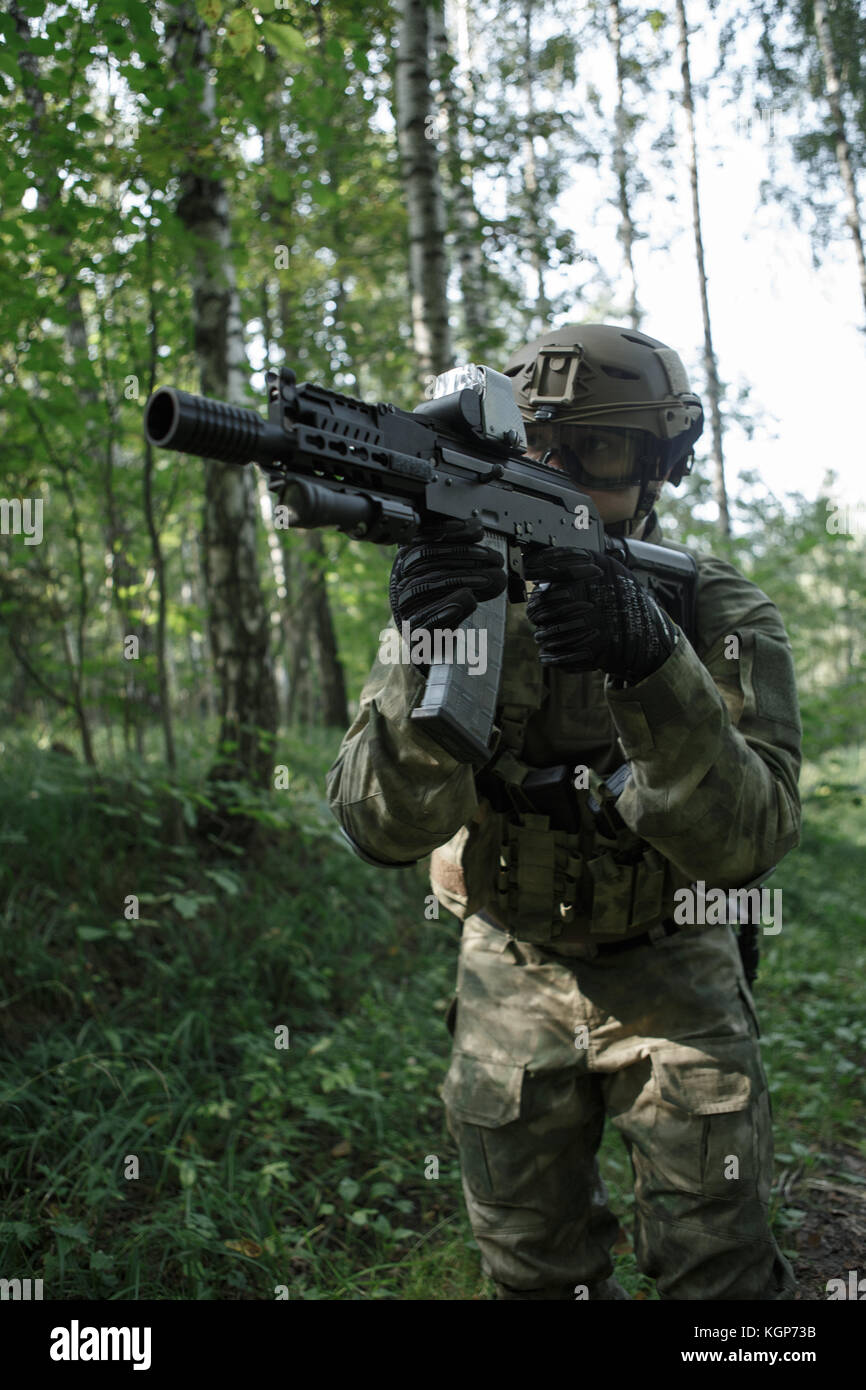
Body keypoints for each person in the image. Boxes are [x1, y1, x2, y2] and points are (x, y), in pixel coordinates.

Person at [326, 323, 802, 1300]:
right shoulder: (464, 596)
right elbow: (378, 825)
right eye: (537, 449)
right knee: (533, 1274)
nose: (565, 477)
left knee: (719, 1280)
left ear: (656, 466)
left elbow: (746, 840)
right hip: (510, 966)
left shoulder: (713, 612)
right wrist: (434, 645)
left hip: (674, 957)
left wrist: (646, 657)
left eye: (601, 450)